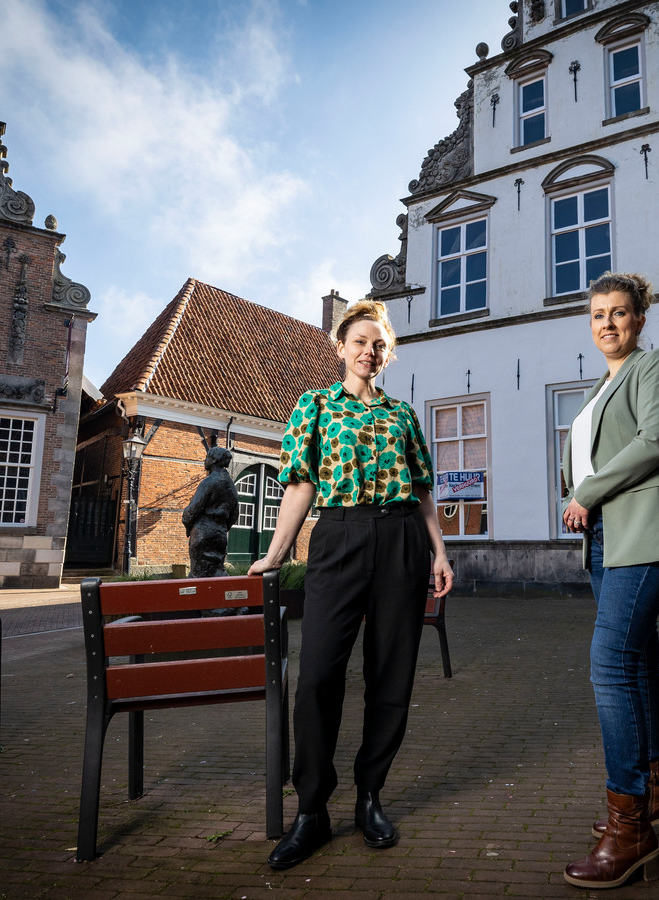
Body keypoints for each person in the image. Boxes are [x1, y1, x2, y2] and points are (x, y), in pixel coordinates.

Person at [250, 299, 453, 870]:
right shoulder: (312, 406)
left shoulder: (404, 416)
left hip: (400, 544)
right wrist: (273, 556)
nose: (369, 351)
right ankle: (311, 811)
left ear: (387, 356)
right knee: (317, 674)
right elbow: (299, 487)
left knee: (392, 673)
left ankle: (370, 797)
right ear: (340, 347)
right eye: (360, 341)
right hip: (337, 539)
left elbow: (422, 491)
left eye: (379, 345)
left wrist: (439, 552)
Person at [559, 273, 659, 889]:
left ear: (640, 318)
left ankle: (628, 826)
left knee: (609, 665)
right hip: (604, 539)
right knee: (638, 666)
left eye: (618, 313)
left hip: (641, 532)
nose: (607, 323)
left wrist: (584, 490)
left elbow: (653, 441)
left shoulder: (653, 365)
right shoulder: (598, 388)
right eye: (597, 315)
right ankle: (654, 798)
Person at [180, 446, 240, 578]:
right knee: (217, 571)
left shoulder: (208, 482)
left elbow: (192, 510)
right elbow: (235, 513)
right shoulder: (230, 484)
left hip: (203, 533)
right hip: (220, 534)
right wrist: (222, 527)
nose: (204, 460)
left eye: (207, 457)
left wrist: (188, 524)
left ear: (214, 460)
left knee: (198, 576)